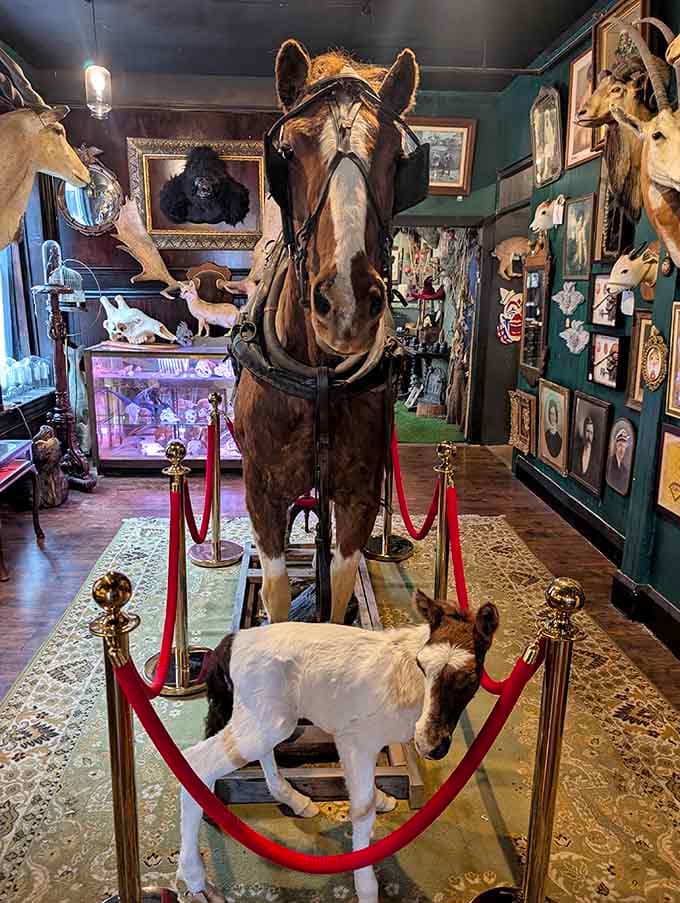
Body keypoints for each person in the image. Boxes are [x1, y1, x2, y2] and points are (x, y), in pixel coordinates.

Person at [573, 414, 599, 485]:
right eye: (587, 431)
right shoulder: (576, 451)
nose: (589, 436)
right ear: (584, 431)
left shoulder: (597, 458)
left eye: (591, 432)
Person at [607, 425, 631, 494]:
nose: (622, 449)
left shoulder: (624, 470)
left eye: (624, 446)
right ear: (616, 446)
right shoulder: (610, 462)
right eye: (620, 445)